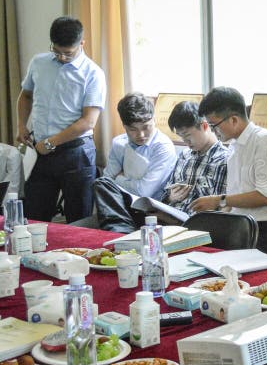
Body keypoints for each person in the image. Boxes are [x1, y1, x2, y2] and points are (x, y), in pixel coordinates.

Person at [16, 16, 106, 222]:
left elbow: (88, 121)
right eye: (56, 51)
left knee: (78, 221)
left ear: (82, 44)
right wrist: (21, 125)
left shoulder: (93, 74)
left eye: (68, 53)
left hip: (76, 152)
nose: (62, 57)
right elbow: (26, 95)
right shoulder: (38, 62)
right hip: (40, 152)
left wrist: (51, 142)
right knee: (33, 217)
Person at [190, 87, 267, 258]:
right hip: (240, 225)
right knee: (199, 254)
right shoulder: (234, 145)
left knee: (226, 266)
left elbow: (265, 197)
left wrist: (218, 200)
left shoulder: (264, 141)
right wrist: (217, 213)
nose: (213, 131)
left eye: (214, 125)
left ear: (234, 120)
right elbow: (236, 196)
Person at [94, 93, 177, 232]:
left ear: (154, 120)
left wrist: (119, 178)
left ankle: (120, 231)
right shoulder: (119, 143)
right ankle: (120, 229)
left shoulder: (163, 147)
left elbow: (144, 191)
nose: (141, 135)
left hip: (150, 208)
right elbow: (107, 180)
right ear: (124, 126)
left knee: (110, 193)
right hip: (122, 202)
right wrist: (117, 182)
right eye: (133, 129)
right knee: (100, 183)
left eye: (146, 127)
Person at [159, 101, 229, 224]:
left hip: (199, 227)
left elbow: (224, 207)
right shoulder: (184, 155)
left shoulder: (224, 160)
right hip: (169, 221)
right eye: (181, 136)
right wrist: (170, 197)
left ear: (205, 126)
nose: (185, 141)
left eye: (187, 135)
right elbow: (167, 193)